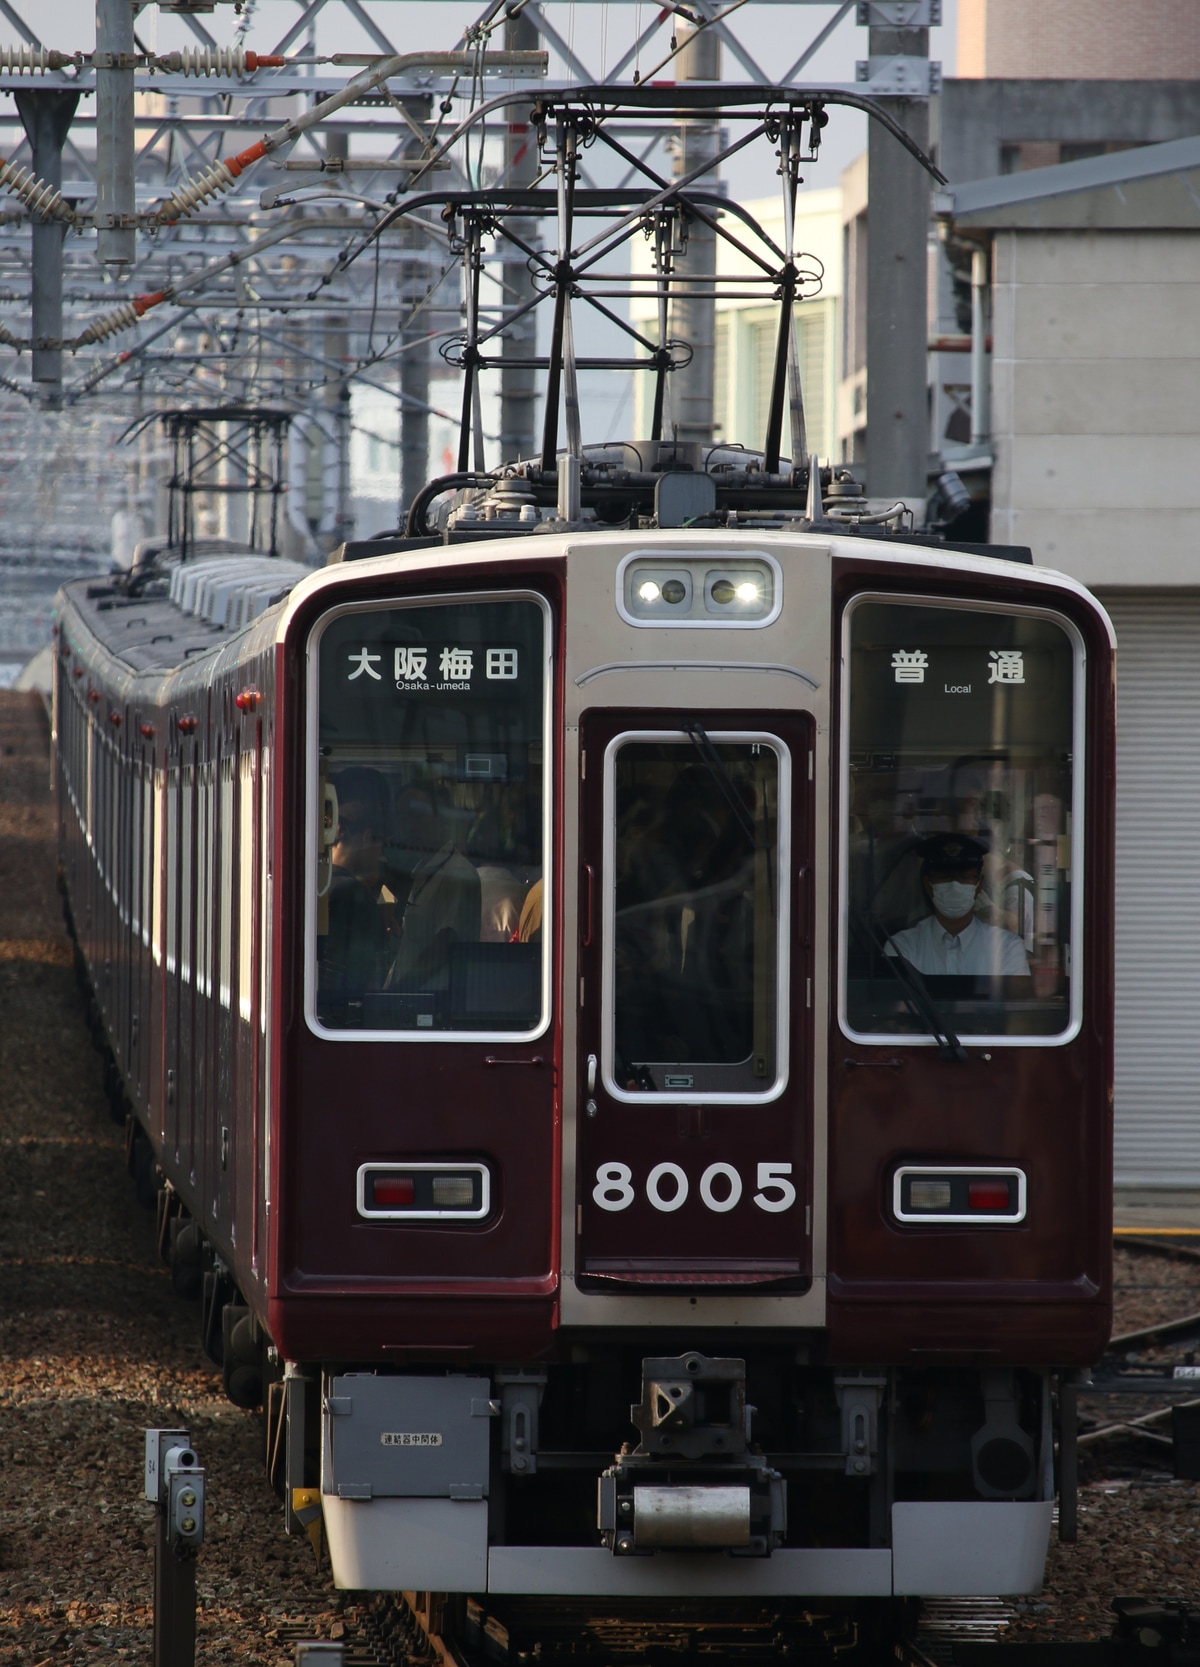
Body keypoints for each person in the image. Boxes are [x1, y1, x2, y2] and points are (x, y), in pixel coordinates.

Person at [886, 832, 1030, 976]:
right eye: (944, 877)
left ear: (979, 885)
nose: (954, 885)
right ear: (928, 885)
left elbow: (1013, 997)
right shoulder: (902, 947)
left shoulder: (1007, 948)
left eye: (964, 877)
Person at [388, 782, 481, 991]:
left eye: (417, 817)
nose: (409, 826)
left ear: (440, 819)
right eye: (402, 818)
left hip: (434, 1006)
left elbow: (443, 945)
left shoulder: (456, 872)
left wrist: (400, 991)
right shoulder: (423, 870)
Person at [323, 768, 389, 1000]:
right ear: (367, 837)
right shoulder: (353, 895)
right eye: (380, 841)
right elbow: (366, 975)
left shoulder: (319, 886)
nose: (381, 854)